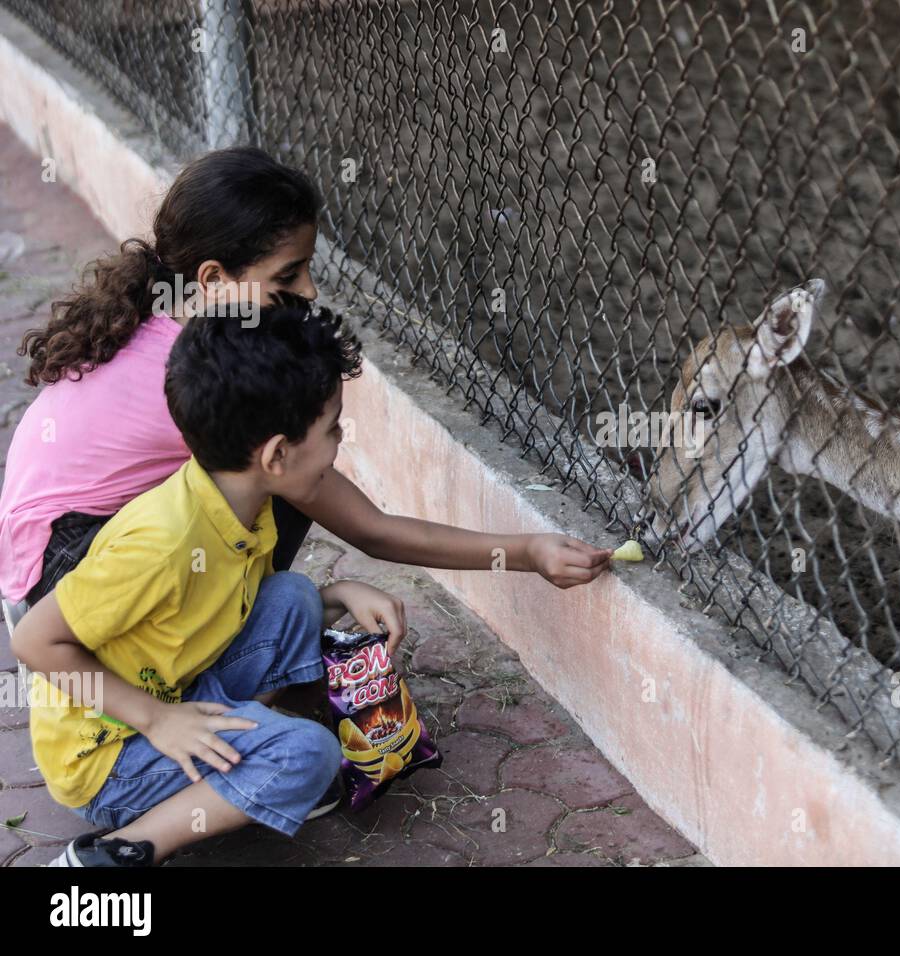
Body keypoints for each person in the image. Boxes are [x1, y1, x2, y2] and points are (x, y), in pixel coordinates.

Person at [0, 146, 611, 630]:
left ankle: (255, 638)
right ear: (214, 279)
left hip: (57, 573)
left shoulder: (182, 324)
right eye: (289, 274)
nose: (311, 291)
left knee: (276, 477)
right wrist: (526, 552)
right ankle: (227, 668)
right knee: (285, 477)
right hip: (60, 595)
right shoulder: (204, 375)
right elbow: (368, 528)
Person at [11, 294, 404, 867]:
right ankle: (120, 852)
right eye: (332, 428)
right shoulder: (163, 543)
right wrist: (157, 719)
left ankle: (233, 754)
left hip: (177, 690)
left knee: (293, 598)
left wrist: (341, 593)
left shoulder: (240, 497)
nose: (339, 441)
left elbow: (233, 613)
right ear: (276, 454)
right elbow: (33, 642)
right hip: (108, 757)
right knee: (309, 756)